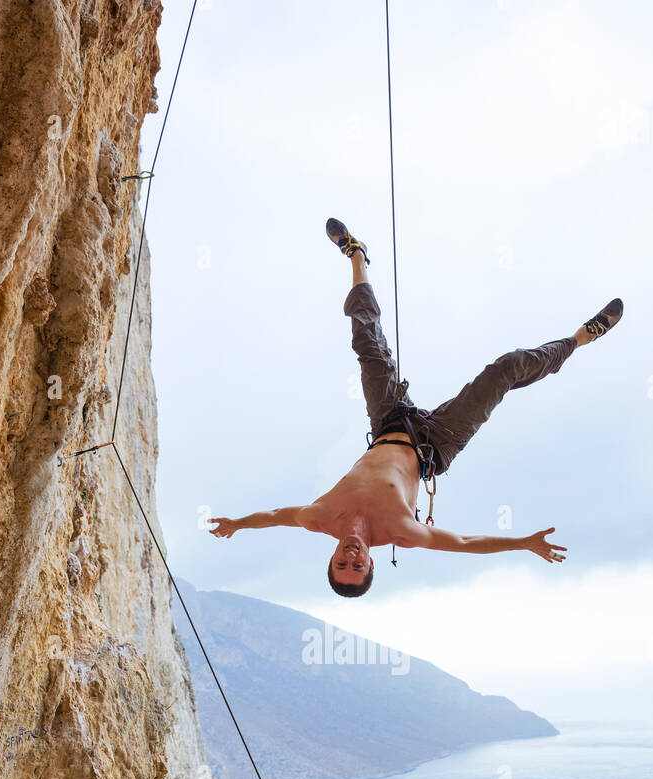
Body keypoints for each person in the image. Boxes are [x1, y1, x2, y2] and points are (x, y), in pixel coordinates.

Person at [208, 218, 624, 596]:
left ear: (332, 558)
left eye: (342, 563)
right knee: (507, 368)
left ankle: (356, 254)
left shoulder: (319, 517)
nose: (351, 556)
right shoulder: (400, 532)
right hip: (436, 444)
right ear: (371, 563)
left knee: (366, 341)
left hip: (387, 420)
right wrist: (522, 544)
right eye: (358, 565)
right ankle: (579, 340)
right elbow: (463, 544)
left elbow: (277, 514)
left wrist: (236, 524)